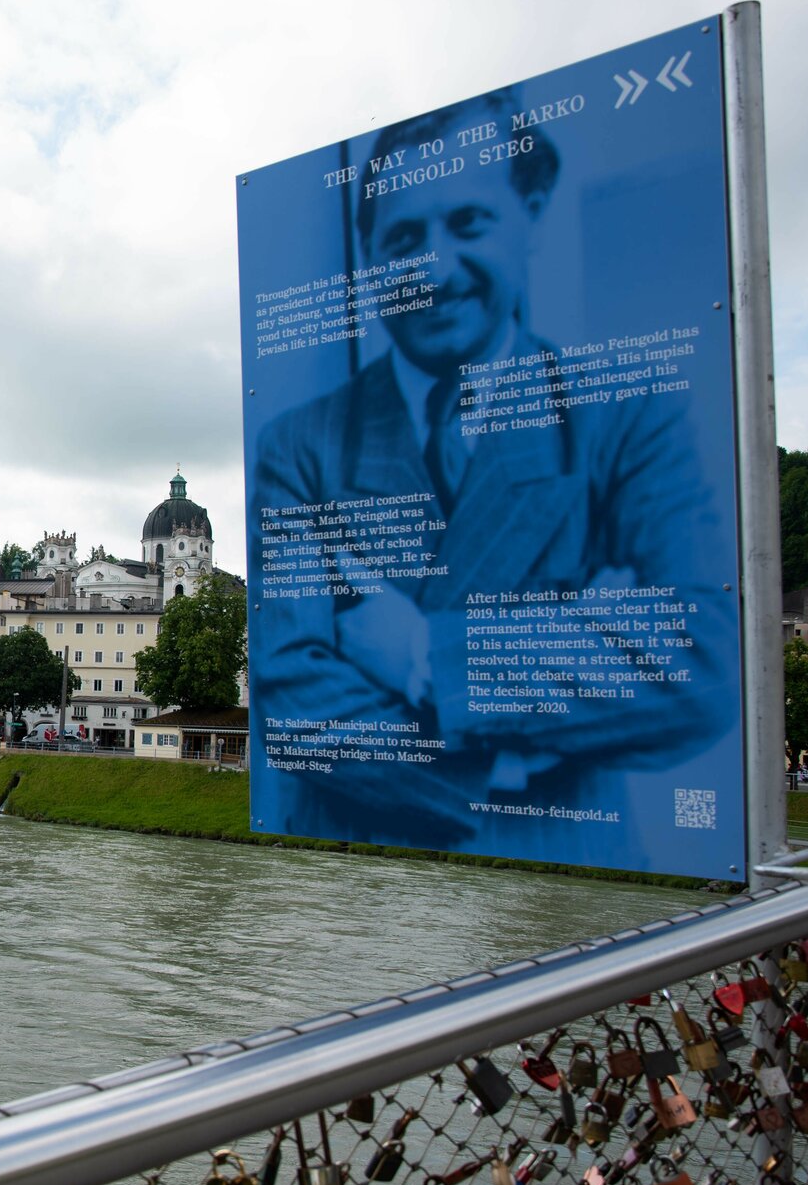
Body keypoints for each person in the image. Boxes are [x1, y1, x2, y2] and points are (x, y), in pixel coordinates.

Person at [250, 89, 736, 853]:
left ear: (531, 211)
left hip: (563, 873)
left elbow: (700, 660)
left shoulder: (625, 413)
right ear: (371, 256)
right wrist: (524, 746)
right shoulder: (298, 444)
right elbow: (294, 705)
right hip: (359, 887)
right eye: (404, 236)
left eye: (468, 222)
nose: (435, 268)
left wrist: (420, 656)